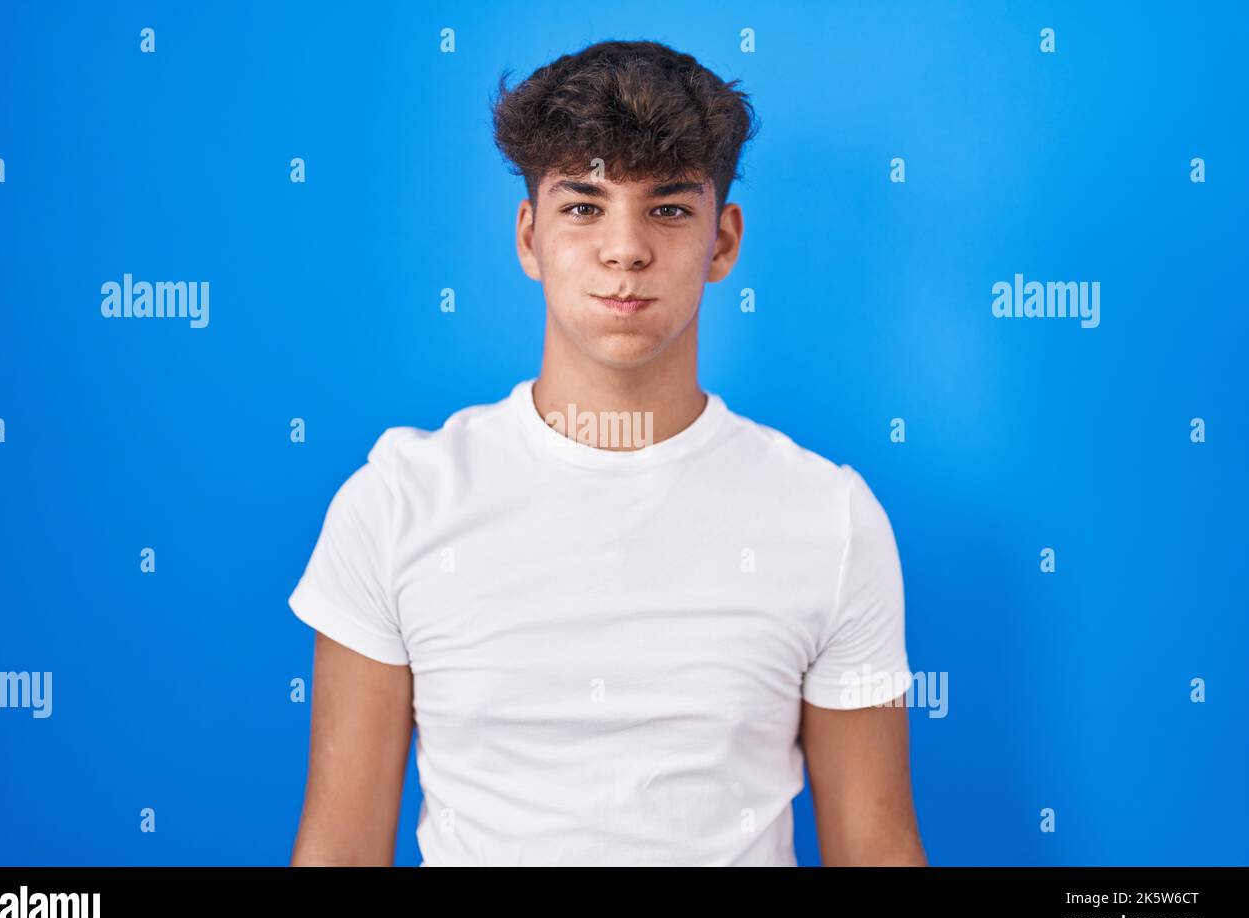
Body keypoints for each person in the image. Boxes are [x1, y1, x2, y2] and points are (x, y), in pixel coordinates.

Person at [287, 39, 926, 866]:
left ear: (723, 241)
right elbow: (339, 847)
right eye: (583, 207)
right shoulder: (397, 504)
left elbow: (876, 848)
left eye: (667, 209)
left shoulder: (830, 519)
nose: (624, 250)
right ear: (529, 235)